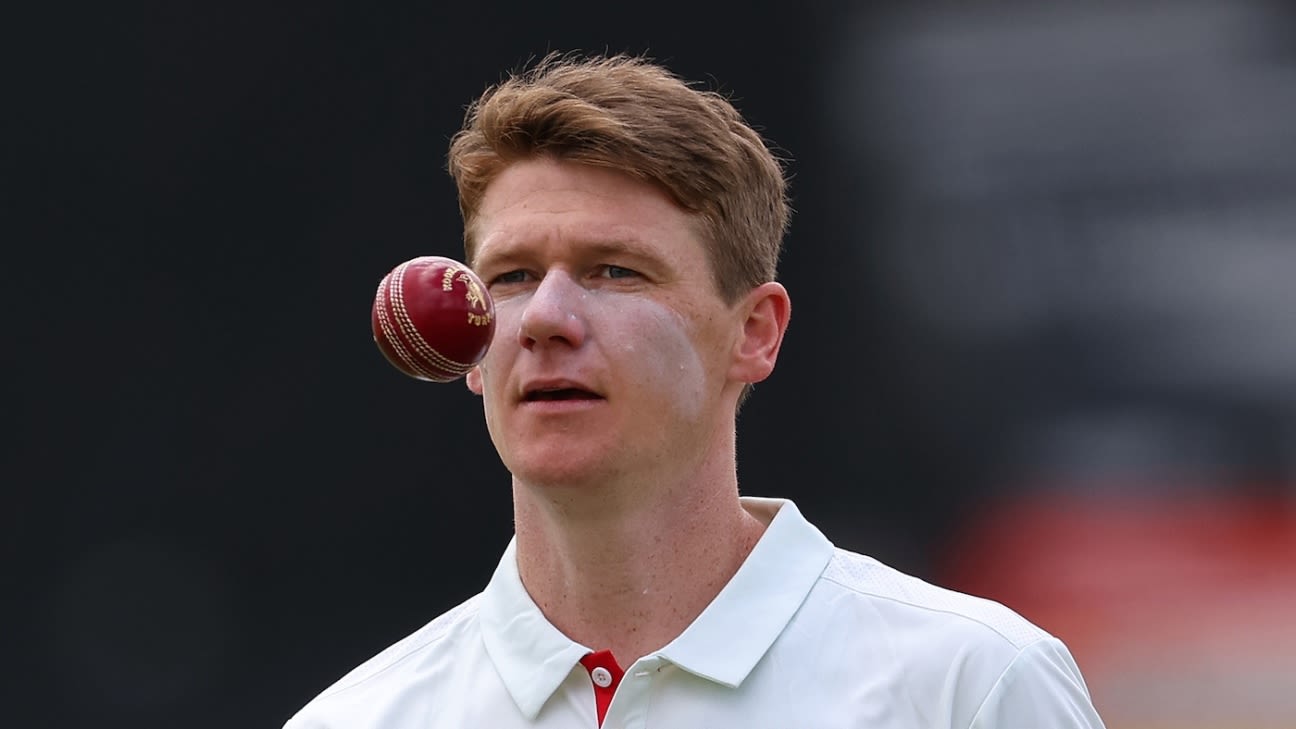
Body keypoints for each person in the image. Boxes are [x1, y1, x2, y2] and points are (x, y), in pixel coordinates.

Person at [285, 53, 1106, 728]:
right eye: (511, 276)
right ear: (471, 348)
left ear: (754, 333)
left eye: (615, 270)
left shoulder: (972, 688)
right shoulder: (357, 719)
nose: (546, 318)